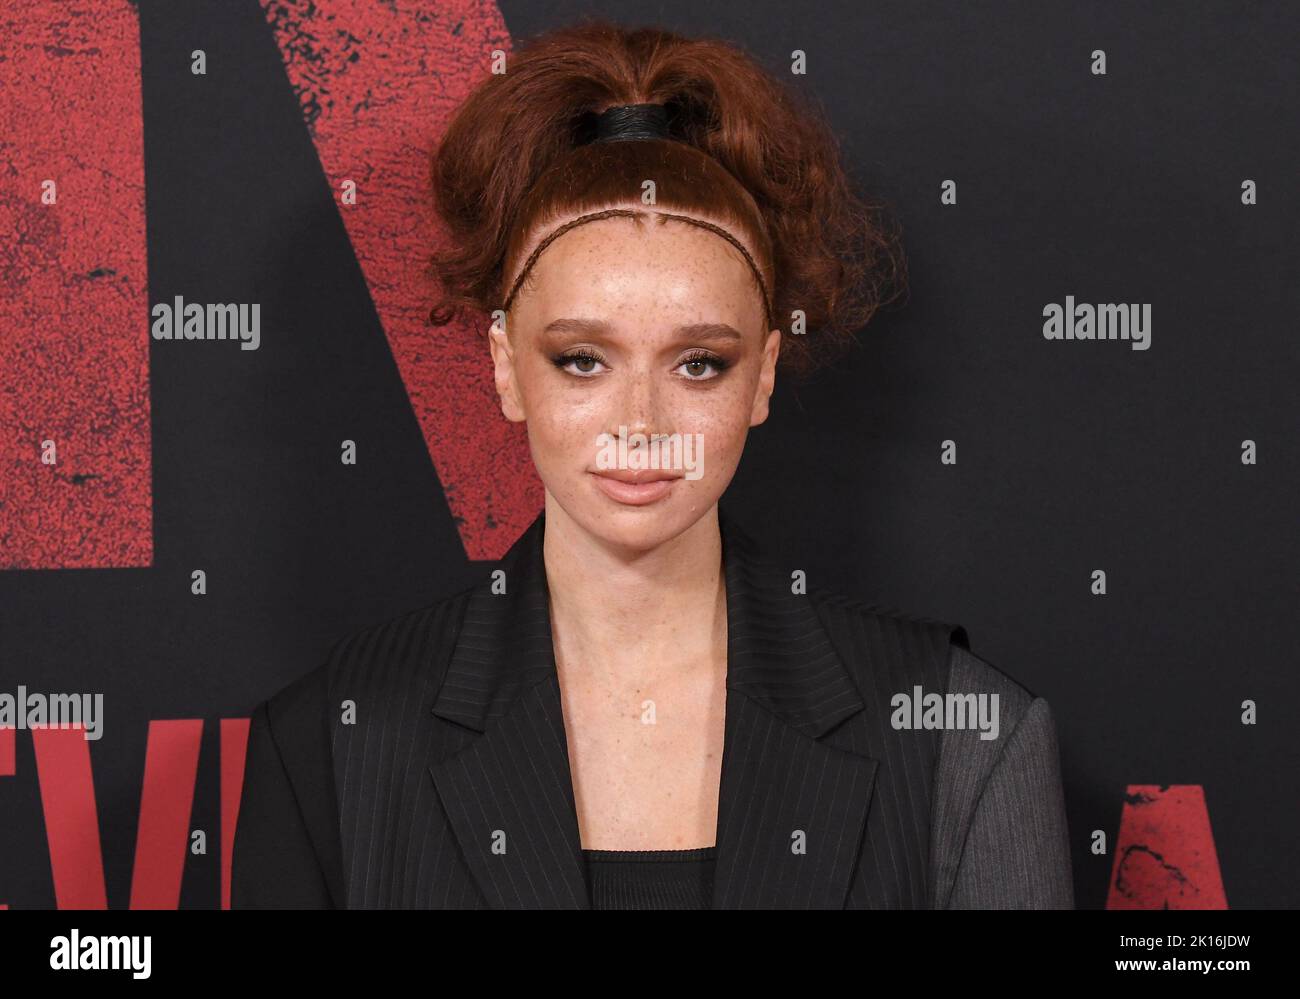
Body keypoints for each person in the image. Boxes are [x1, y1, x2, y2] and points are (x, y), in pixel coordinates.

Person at [232, 19, 1072, 909]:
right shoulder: (330, 742)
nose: (641, 424)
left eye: (699, 363)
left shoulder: (965, 738)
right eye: (582, 360)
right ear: (506, 367)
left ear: (764, 377)